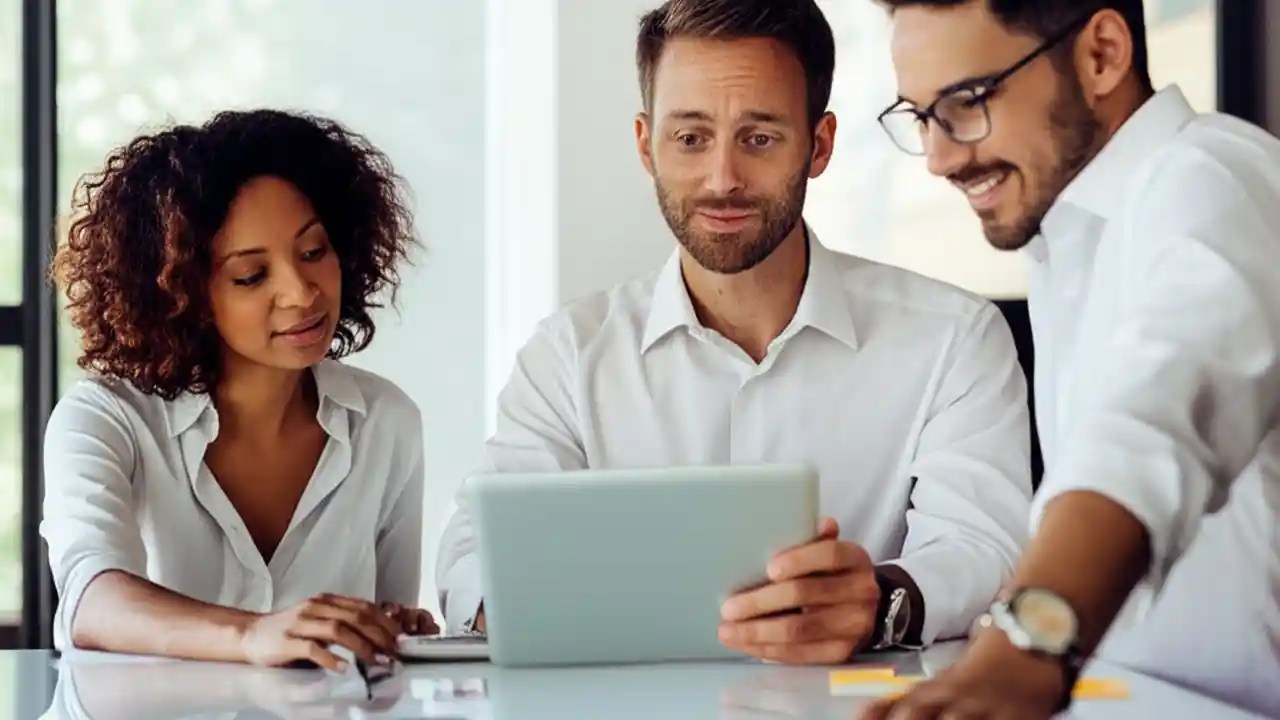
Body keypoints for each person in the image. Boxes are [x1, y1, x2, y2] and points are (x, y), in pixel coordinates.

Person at [437, 0, 1034, 664]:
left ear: (820, 145)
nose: (722, 179)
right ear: (646, 145)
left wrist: (880, 599)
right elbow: (472, 554)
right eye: (690, 138)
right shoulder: (569, 354)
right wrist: (520, 603)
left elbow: (986, 549)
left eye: (759, 137)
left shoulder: (954, 338)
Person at [862, 1, 1280, 718]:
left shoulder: (1210, 177)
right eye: (921, 116)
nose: (938, 157)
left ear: (1102, 55)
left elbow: (1148, 431)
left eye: (966, 102)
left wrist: (1027, 644)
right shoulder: (1068, 238)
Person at [42, 109, 438, 672]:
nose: (301, 293)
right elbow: (91, 602)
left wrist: (390, 628)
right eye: (251, 276)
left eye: (314, 252)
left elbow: (381, 638)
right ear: (183, 293)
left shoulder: (385, 420)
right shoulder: (105, 418)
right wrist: (253, 636)